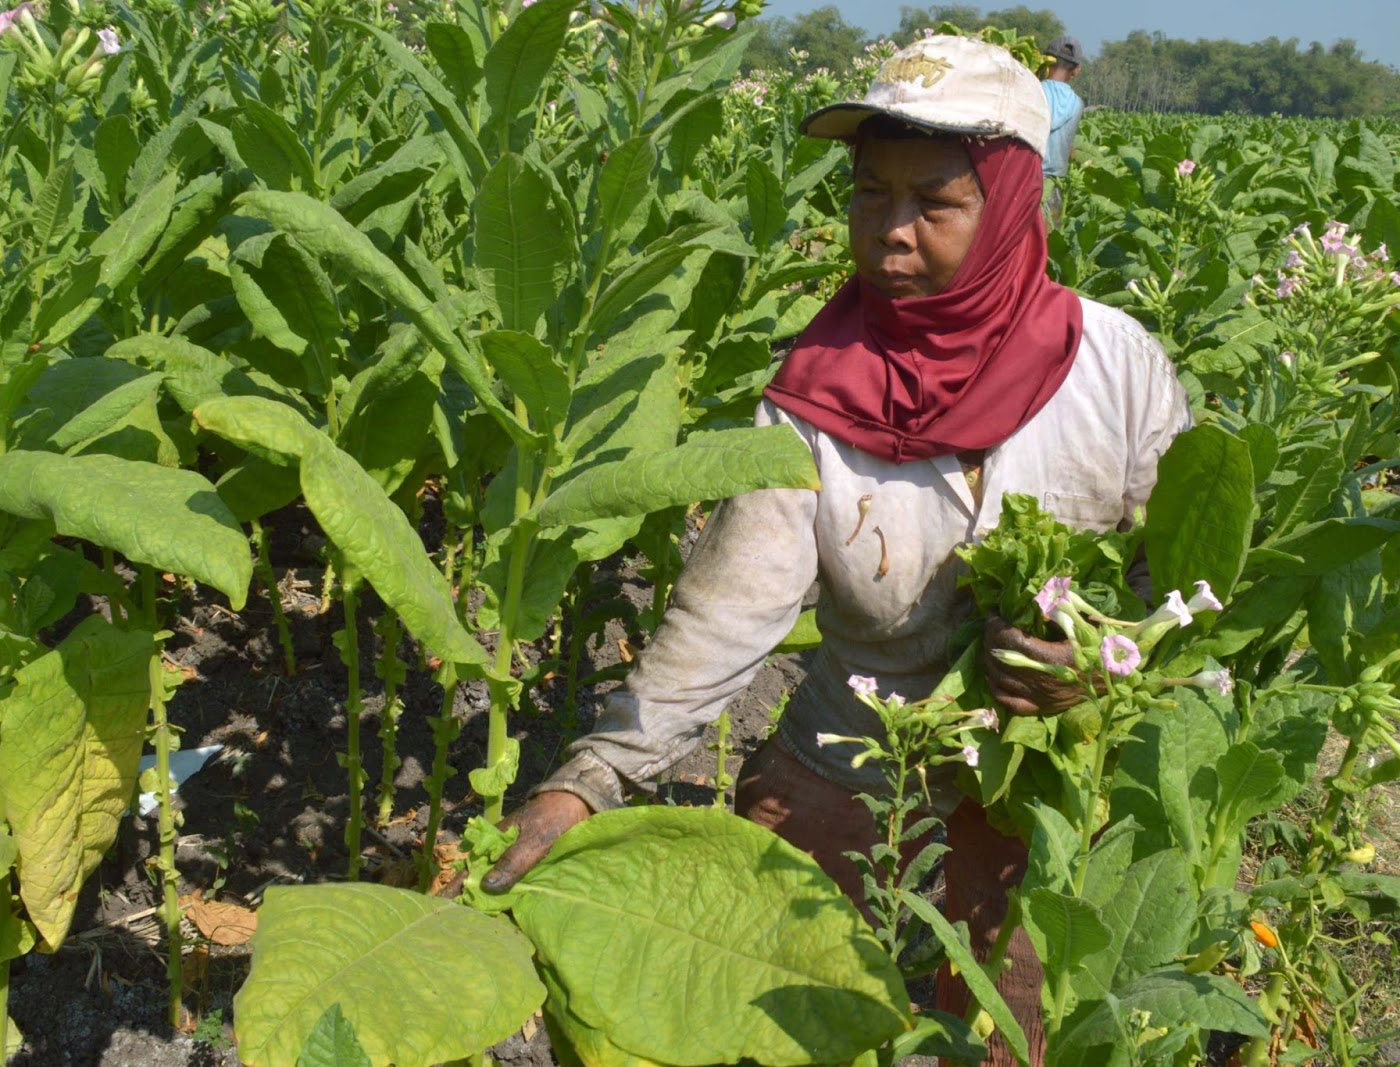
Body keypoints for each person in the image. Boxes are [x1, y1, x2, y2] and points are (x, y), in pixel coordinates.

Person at [465, 35, 1188, 1067]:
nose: (889, 233)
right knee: (743, 997)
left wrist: (1103, 671)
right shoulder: (814, 391)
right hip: (850, 745)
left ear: (1011, 205)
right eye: (866, 193)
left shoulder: (1116, 370)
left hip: (1045, 787)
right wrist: (587, 779)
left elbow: (1181, 588)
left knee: (1018, 1031)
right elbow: (726, 613)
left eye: (931, 203)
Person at [1039, 35, 1085, 227]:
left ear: (1045, 60)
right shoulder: (1077, 104)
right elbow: (1068, 148)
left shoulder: (1033, 90)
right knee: (1046, 246)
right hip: (1052, 188)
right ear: (1076, 71)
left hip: (1023, 181)